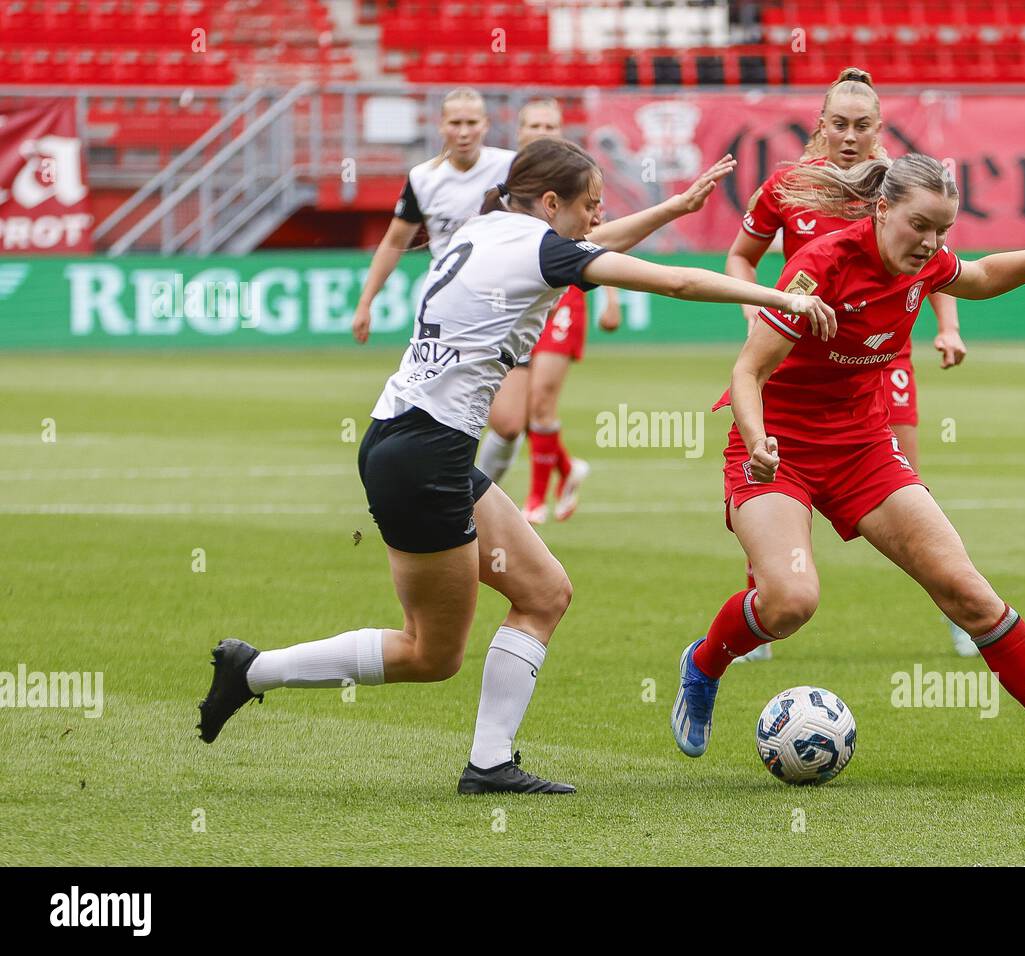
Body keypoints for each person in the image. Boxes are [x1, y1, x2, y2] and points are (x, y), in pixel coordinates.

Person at [198, 137, 838, 796]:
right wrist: (783, 301)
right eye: (588, 205)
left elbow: (594, 244)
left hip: (410, 443)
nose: (595, 218)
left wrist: (672, 208)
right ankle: (254, 672)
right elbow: (675, 279)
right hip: (425, 458)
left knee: (544, 593)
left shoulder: (487, 229)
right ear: (552, 201)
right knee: (431, 653)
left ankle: (488, 763)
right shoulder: (539, 247)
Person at [671, 152, 1025, 783]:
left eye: (943, 231)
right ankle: (704, 665)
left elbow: (981, 277)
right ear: (881, 210)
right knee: (790, 601)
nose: (930, 244)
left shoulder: (926, 265)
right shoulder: (820, 267)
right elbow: (748, 372)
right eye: (919, 225)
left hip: (863, 448)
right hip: (778, 449)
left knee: (970, 596)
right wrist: (759, 441)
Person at [725, 67, 976, 659]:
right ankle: (765, 589)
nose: (849, 135)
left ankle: (959, 605)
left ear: (879, 128)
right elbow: (741, 258)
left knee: (908, 483)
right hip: (805, 359)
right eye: (838, 123)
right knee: (775, 474)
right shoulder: (788, 185)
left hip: (883, 358)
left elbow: (933, 262)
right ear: (821, 124)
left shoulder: (898, 186)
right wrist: (758, 312)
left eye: (862, 125)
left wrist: (949, 327)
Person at [475, 98, 733, 525]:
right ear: (518, 133)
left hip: (566, 290)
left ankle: (533, 501)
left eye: (550, 125)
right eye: (534, 124)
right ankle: (562, 471)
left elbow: (593, 240)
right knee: (509, 417)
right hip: (520, 299)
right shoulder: (505, 186)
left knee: (541, 403)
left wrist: (609, 296)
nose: (542, 130)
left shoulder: (574, 178)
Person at [353, 87, 513, 346]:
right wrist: (365, 302)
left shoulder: (510, 167)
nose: (463, 132)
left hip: (499, 295)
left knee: (502, 383)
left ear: (485, 125)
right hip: (444, 297)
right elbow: (395, 242)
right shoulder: (423, 178)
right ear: (441, 126)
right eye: (455, 123)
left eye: (471, 123)